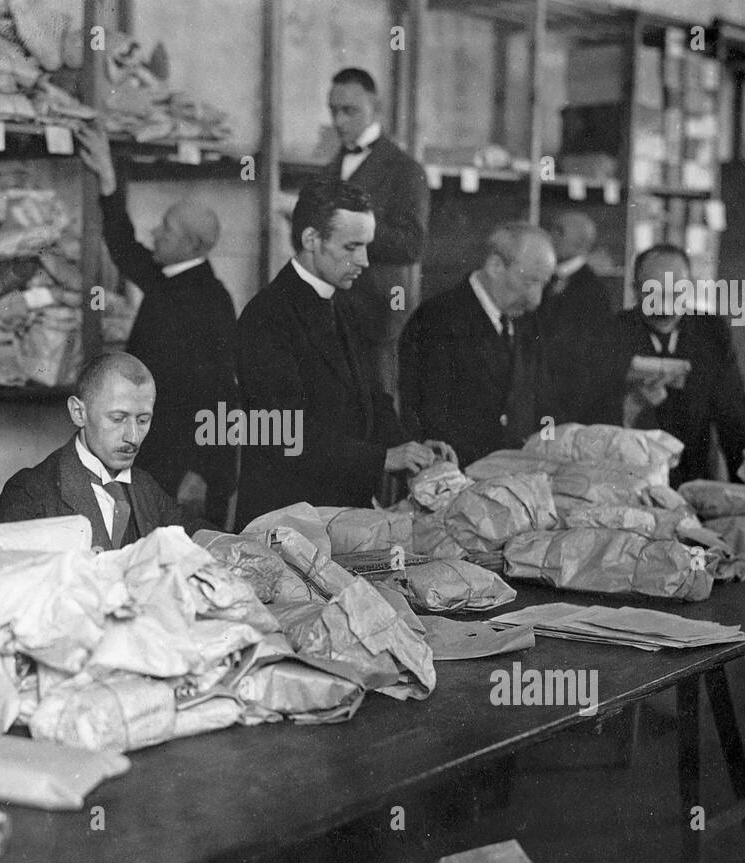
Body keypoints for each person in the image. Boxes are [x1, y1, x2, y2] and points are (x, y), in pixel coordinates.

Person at [235, 178, 453, 529]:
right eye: (351, 247)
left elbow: (374, 399)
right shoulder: (267, 317)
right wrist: (384, 457)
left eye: (366, 246)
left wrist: (413, 450)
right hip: (286, 521)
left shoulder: (345, 303)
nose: (365, 261)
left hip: (339, 515)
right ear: (310, 240)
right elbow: (285, 432)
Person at [76, 124, 239, 529]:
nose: (156, 234)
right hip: (159, 454)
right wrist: (108, 180)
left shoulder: (209, 301)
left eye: (165, 230)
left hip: (185, 469)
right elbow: (126, 249)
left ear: (193, 245)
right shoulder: (173, 276)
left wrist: (203, 473)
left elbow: (220, 392)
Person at [400, 221, 557, 467]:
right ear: (495, 266)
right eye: (529, 282)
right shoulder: (437, 319)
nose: (536, 299)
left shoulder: (526, 321)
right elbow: (425, 419)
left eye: (543, 284)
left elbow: (541, 401)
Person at [0, 353, 183, 548]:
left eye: (143, 420)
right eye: (117, 419)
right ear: (78, 413)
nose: (133, 437)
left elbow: (198, 534)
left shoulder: (146, 487)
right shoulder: (30, 492)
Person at [321, 67, 430, 398]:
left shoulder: (405, 170)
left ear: (375, 107)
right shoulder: (329, 169)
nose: (338, 121)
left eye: (349, 111)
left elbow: (412, 245)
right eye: (333, 110)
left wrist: (348, 224)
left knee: (379, 417)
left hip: (379, 319)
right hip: (331, 316)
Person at [617, 244, 745, 485]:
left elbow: (734, 415)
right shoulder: (610, 334)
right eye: (654, 292)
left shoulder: (710, 331)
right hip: (628, 482)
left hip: (695, 479)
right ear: (635, 290)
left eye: (676, 292)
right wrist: (633, 404)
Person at [536, 211, 621, 424]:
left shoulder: (594, 291)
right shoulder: (542, 278)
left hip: (570, 402)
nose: (550, 236)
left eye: (559, 232)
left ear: (582, 242)